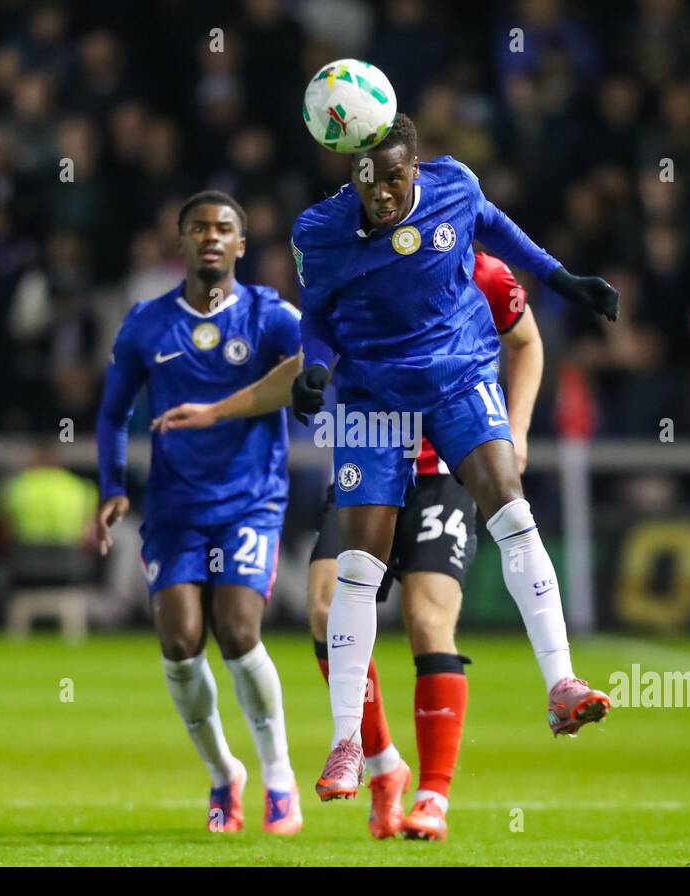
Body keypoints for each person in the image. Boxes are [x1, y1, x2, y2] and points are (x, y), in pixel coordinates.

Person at [155, 250, 546, 842]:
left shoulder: (477, 270)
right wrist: (217, 412)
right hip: (368, 468)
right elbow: (303, 368)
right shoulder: (355, 278)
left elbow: (526, 343)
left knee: (427, 619)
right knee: (323, 608)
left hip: (444, 469)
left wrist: (515, 431)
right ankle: (384, 763)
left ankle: (434, 797)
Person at [288, 114, 619, 802]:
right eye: (366, 178)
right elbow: (316, 315)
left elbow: (497, 227)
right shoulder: (318, 232)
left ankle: (560, 682)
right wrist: (315, 370)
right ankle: (348, 740)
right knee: (359, 566)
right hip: (374, 400)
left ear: (417, 169)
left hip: (460, 380)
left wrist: (562, 279)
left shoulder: (455, 187)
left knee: (511, 505)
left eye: (393, 177)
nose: (379, 193)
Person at [95, 191, 303, 835]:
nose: (211, 238)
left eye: (224, 229)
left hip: (250, 501)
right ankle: (223, 774)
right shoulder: (146, 324)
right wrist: (110, 485)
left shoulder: (271, 316)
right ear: (180, 242)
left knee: (239, 631)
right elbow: (110, 413)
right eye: (198, 229)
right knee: (181, 644)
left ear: (242, 244)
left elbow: (317, 361)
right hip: (175, 506)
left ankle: (278, 777)